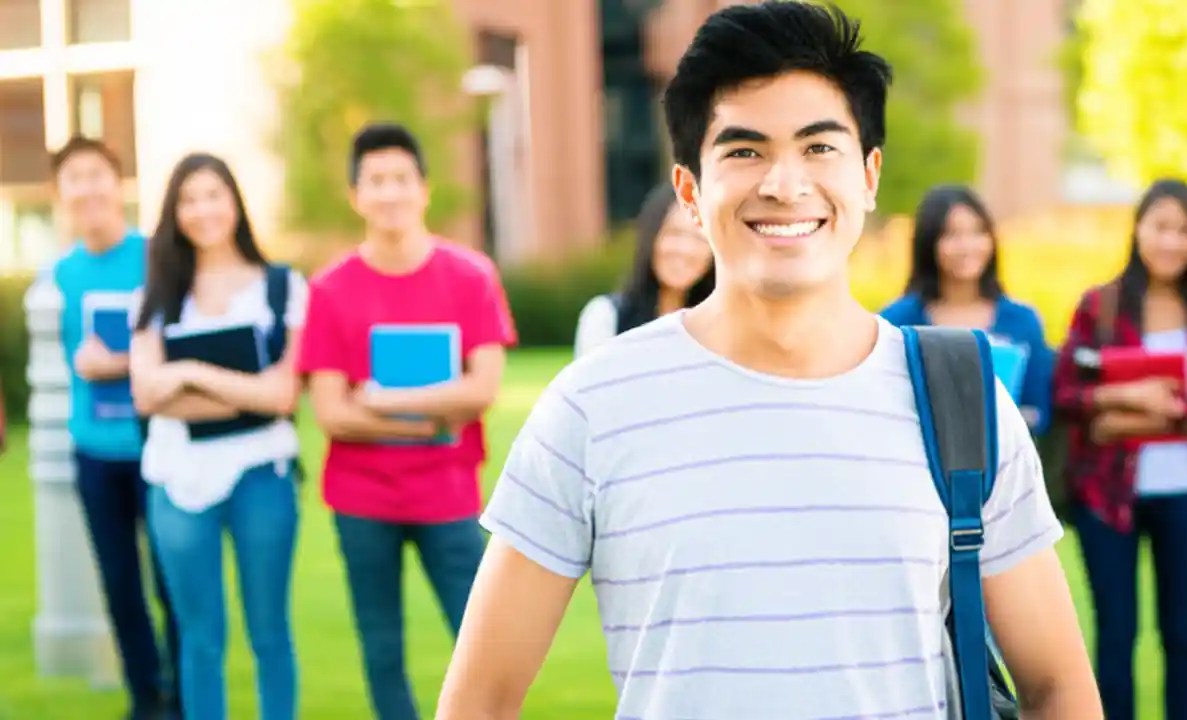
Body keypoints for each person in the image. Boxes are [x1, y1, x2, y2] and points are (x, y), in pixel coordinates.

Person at [437, 3, 1101, 718]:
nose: (785, 184)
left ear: (869, 175)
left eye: (820, 148)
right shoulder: (593, 405)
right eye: (745, 150)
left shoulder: (959, 398)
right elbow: (479, 699)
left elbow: (1057, 687)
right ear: (690, 191)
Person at [296, 122, 516, 720]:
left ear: (424, 189)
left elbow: (484, 388)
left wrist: (383, 401)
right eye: (375, 181)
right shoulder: (331, 290)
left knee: (480, 642)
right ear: (355, 195)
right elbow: (331, 414)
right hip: (361, 501)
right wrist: (428, 417)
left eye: (401, 179)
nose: (389, 193)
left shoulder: (470, 276)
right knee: (382, 650)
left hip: (448, 493)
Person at [1053, 179, 1187, 720]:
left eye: (1184, 230)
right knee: (1116, 633)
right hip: (1105, 493)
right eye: (1160, 226)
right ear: (1137, 229)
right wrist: (1131, 394)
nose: (1171, 241)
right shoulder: (1102, 306)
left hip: (1185, 493)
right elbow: (1068, 392)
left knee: (1181, 634)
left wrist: (1111, 416)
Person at [129, 153, 306, 720]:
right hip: (178, 480)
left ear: (235, 201)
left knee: (269, 632)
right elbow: (146, 394)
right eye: (189, 198)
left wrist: (190, 372)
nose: (203, 209)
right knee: (199, 638)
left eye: (214, 194)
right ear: (173, 213)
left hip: (264, 474)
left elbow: (283, 397)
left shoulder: (281, 287)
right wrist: (244, 390)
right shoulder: (157, 295)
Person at [48, 136, 181, 720]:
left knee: (170, 577)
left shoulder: (155, 258)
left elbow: (180, 348)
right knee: (119, 583)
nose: (88, 187)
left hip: (158, 443)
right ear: (60, 194)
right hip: (94, 450)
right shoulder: (60, 275)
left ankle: (183, 694)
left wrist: (121, 362)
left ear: (117, 182)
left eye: (97, 174)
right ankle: (144, 696)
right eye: (74, 177)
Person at [880, 185, 1055, 435]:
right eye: (951, 235)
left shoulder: (1021, 321)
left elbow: (1039, 412)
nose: (967, 246)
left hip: (1002, 465)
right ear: (929, 244)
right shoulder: (897, 322)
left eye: (978, 232)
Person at [573, 183, 714, 357]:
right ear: (652, 236)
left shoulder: (722, 327)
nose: (684, 249)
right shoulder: (607, 317)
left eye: (699, 238)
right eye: (674, 233)